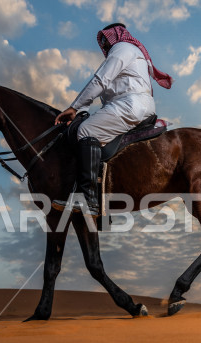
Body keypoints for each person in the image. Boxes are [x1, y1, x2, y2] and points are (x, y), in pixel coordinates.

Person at [52, 23, 173, 216]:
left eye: (106, 41)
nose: (105, 47)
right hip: (134, 105)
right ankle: (99, 195)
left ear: (115, 36)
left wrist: (74, 108)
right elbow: (105, 91)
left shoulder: (122, 48)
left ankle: (87, 199)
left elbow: (100, 81)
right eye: (103, 44)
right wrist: (83, 109)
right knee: (94, 132)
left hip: (130, 105)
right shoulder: (130, 52)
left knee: (85, 131)